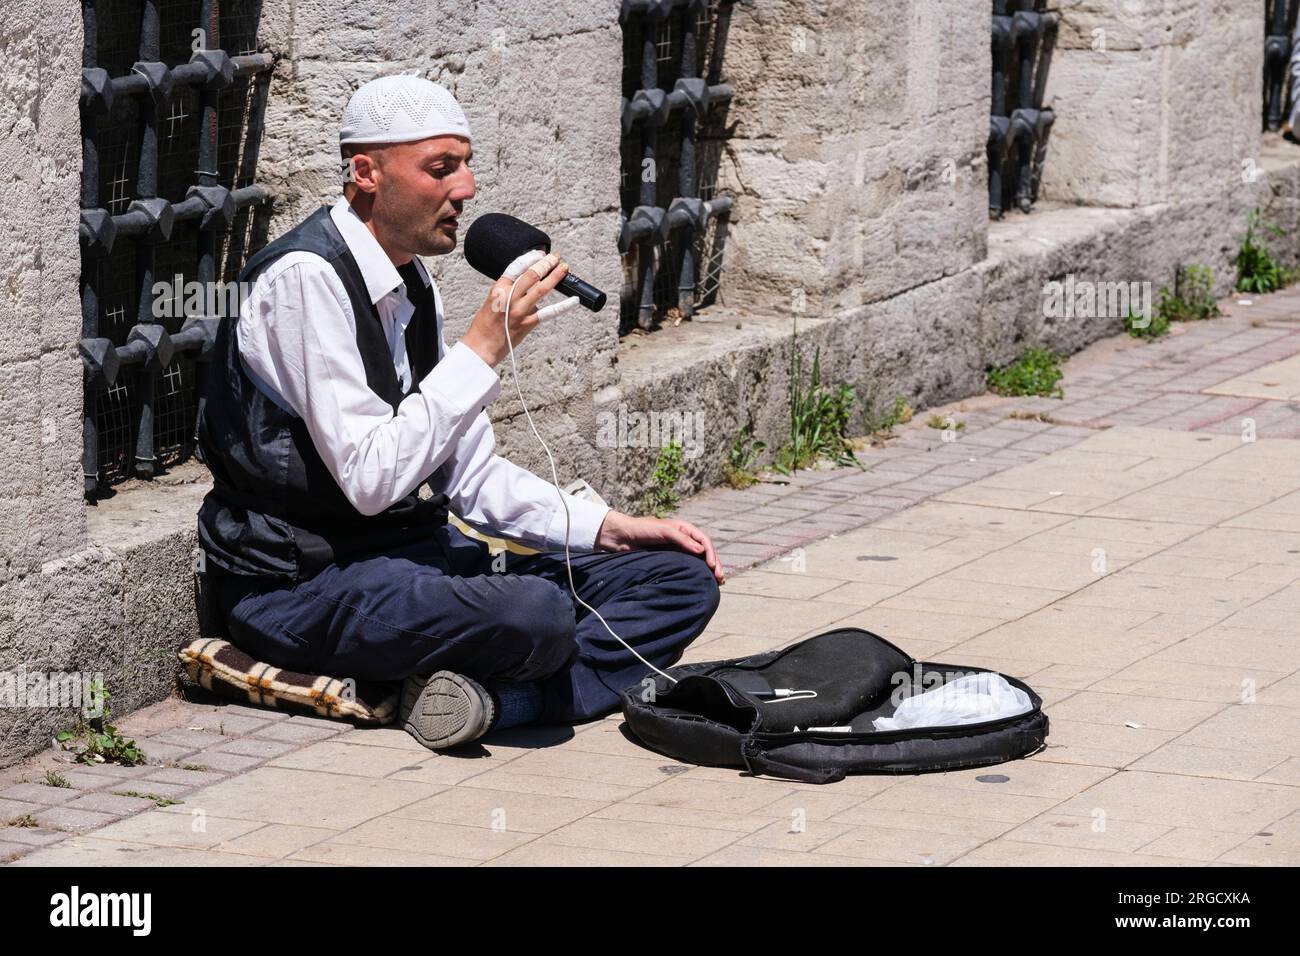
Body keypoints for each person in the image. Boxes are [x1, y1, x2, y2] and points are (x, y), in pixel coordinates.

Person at [195, 74, 723, 751]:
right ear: (366, 172)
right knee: (535, 614)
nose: (466, 189)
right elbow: (368, 481)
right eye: (441, 168)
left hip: (415, 562)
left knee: (677, 578)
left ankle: (501, 701)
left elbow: (469, 477)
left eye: (467, 165)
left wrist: (613, 529)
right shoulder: (305, 281)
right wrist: (481, 350)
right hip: (303, 585)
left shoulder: (411, 281)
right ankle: (522, 689)